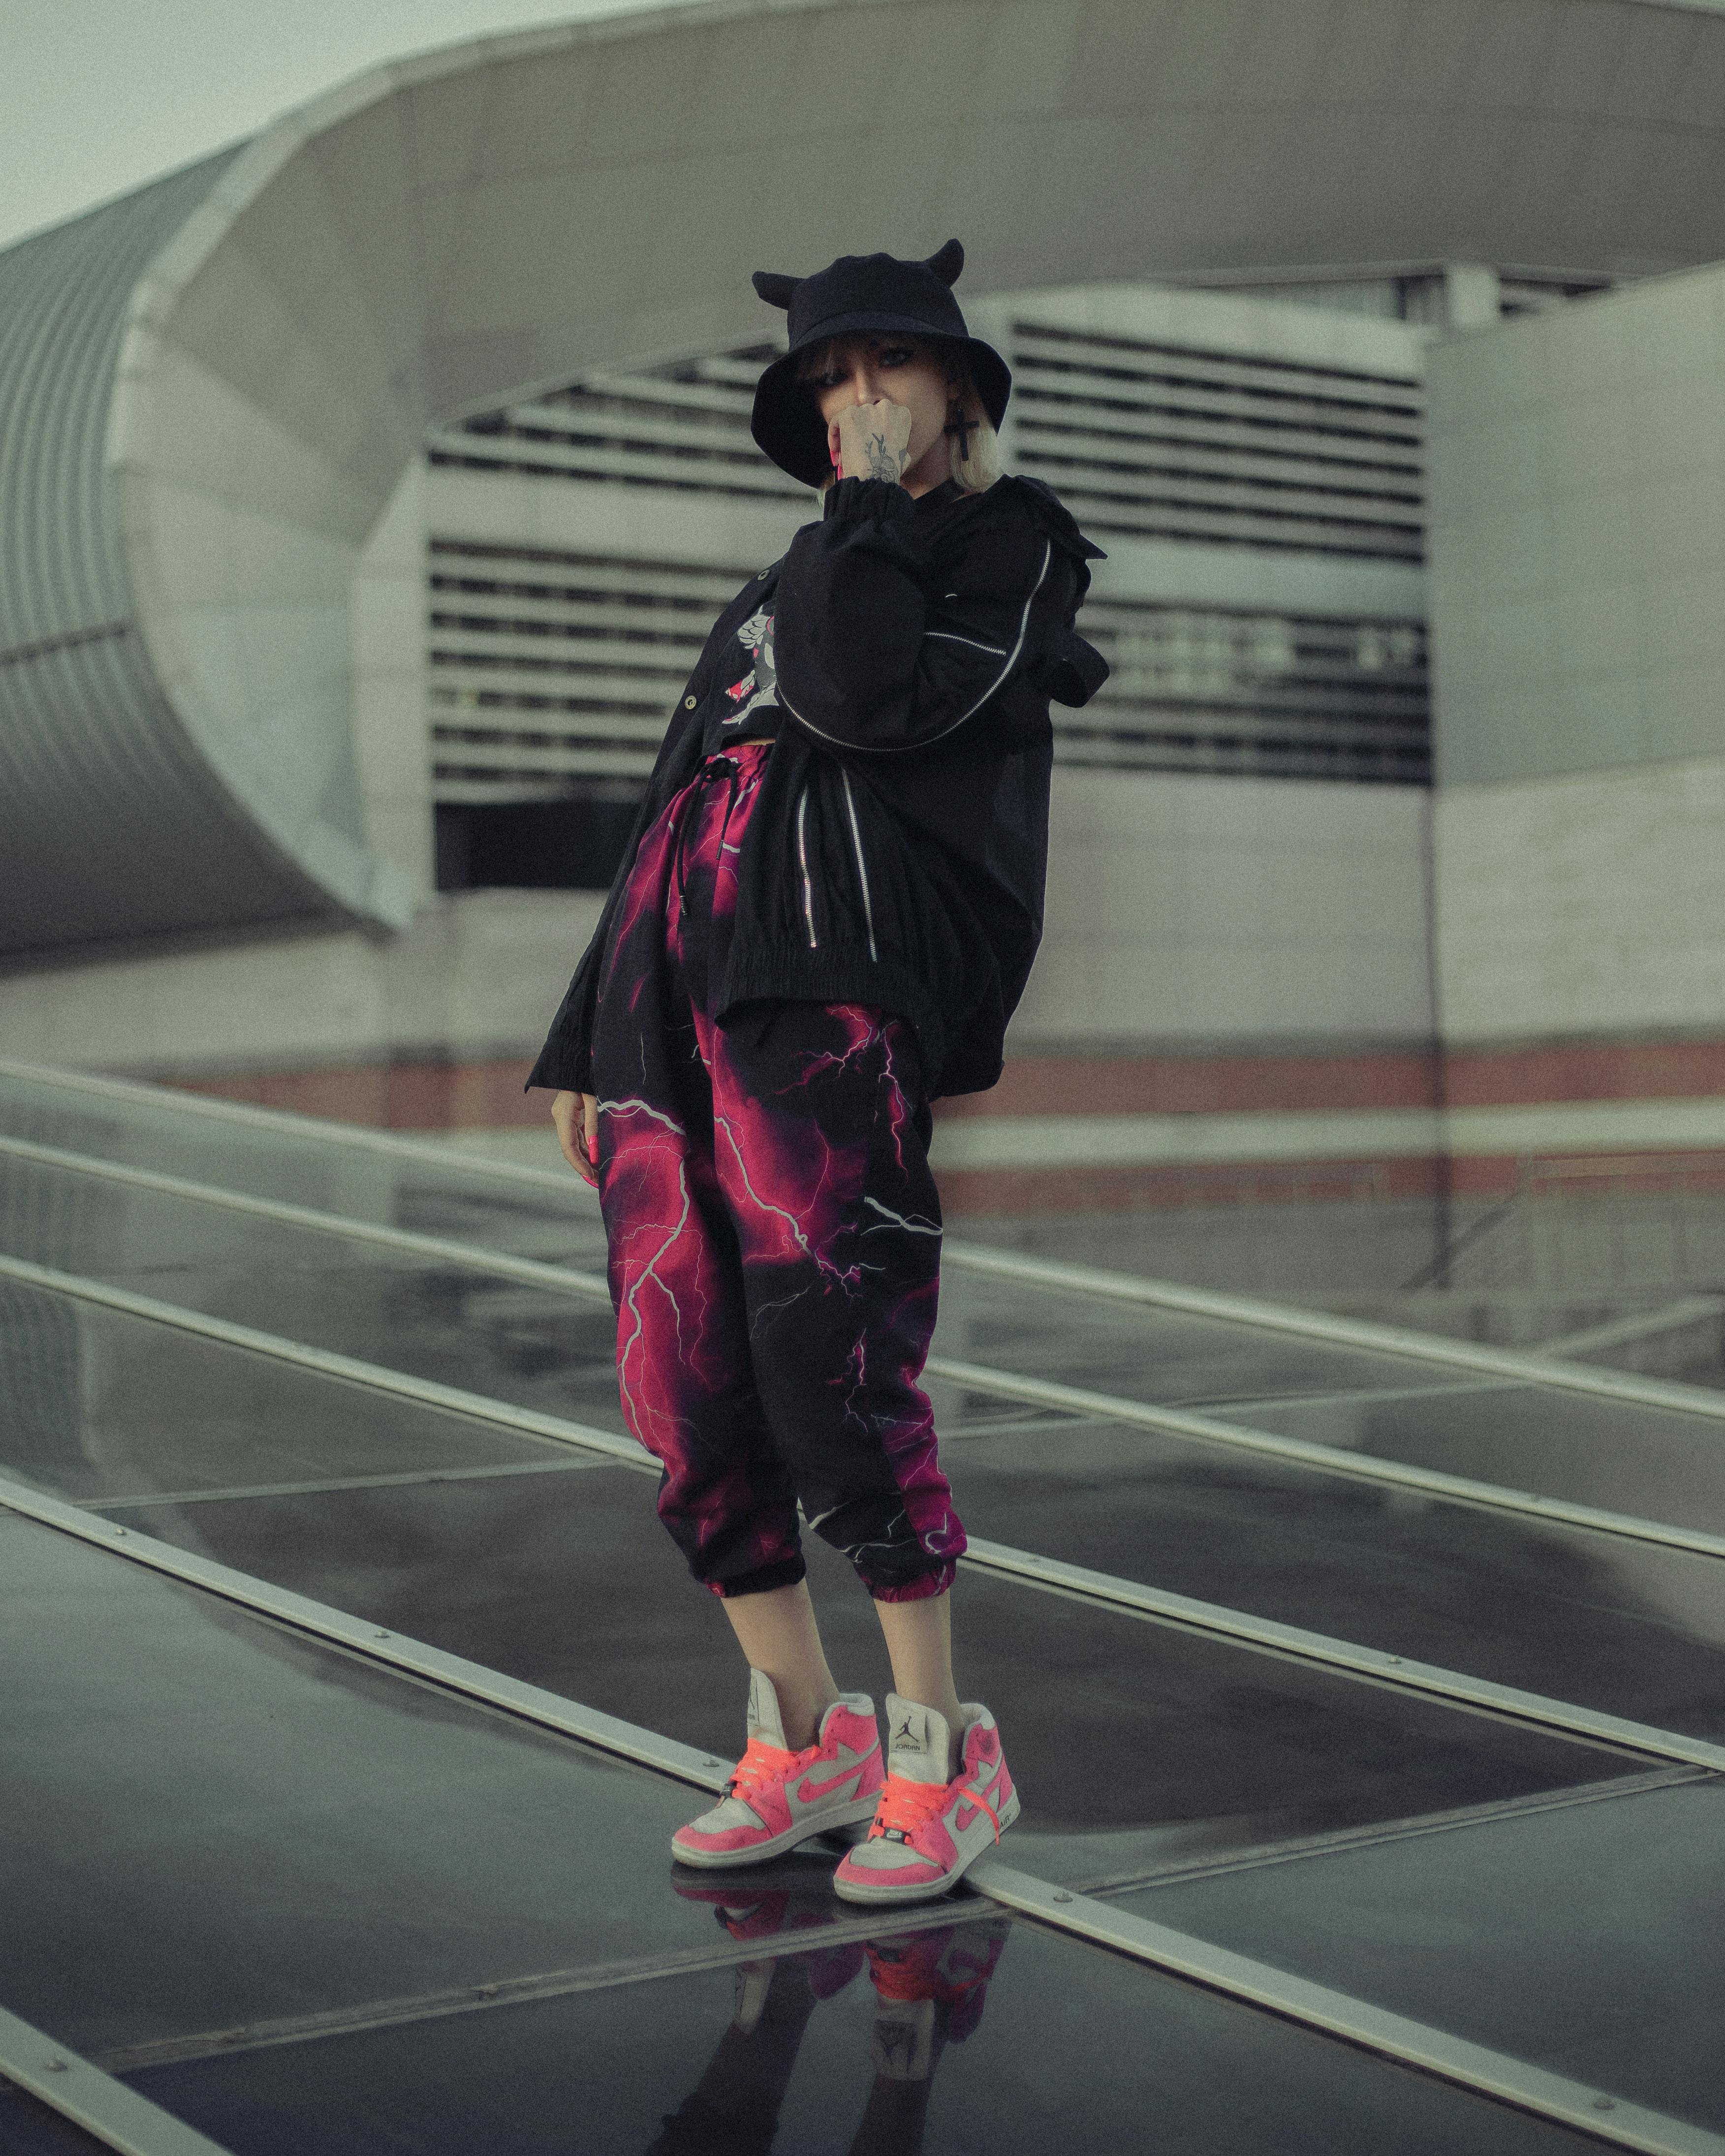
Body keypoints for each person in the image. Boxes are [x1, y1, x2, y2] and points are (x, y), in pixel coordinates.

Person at [528, 240, 1105, 1905]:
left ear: (955, 390)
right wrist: (585, 1033)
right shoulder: (778, 574)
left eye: (887, 371)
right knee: (682, 1386)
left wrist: (856, 520)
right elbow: (671, 790)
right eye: (832, 381)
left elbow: (859, 704)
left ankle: (941, 1750)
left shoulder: (1004, 551)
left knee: (832, 1364)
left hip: (828, 992)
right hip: (671, 997)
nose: (859, 403)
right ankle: (806, 1741)